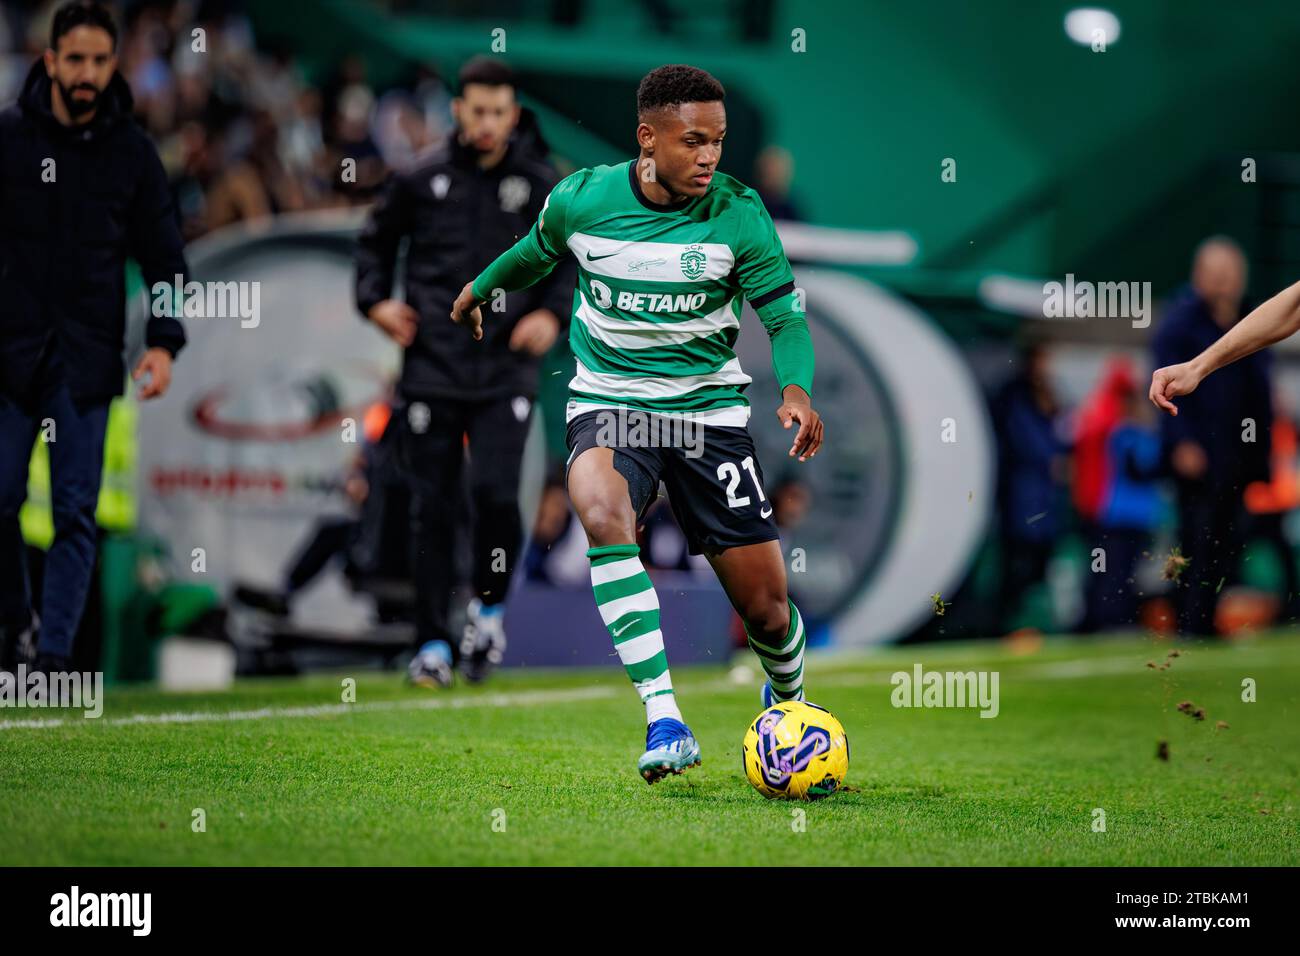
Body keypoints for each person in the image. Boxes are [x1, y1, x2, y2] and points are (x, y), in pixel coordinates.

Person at [450, 64, 822, 784]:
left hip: (707, 419)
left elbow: (784, 316)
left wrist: (799, 391)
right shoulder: (582, 200)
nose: (709, 156)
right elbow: (536, 253)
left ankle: (793, 711)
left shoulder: (740, 214)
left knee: (768, 611)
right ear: (647, 139)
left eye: (717, 141)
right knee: (600, 508)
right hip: (613, 406)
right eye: (693, 141)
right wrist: (482, 288)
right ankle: (664, 718)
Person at [354, 57, 575, 686]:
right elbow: (375, 242)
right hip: (432, 366)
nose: (486, 123)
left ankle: (490, 611)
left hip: (506, 368)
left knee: (497, 495)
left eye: (498, 112)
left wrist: (552, 319)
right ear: (457, 111)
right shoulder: (419, 178)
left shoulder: (540, 183)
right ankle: (431, 643)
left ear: (512, 113)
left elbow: (567, 259)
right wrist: (376, 302)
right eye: (475, 110)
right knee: (432, 503)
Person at [0, 1, 186, 675]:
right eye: (73, 59)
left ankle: (51, 664)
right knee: (1, 502)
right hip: (9, 357)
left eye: (99, 61)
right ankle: (17, 623)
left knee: (76, 513)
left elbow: (165, 257)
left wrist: (164, 343)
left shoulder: (132, 155)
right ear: (50, 60)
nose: (86, 73)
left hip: (85, 363)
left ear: (115, 64)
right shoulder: (9, 138)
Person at [1150, 238, 1272, 635]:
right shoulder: (1181, 320)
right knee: (1195, 539)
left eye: (1230, 275)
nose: (1223, 283)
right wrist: (1182, 441)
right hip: (1200, 453)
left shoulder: (1252, 318)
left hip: (1238, 454)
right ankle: (1188, 619)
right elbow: (1165, 384)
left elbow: (1260, 392)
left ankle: (1209, 615)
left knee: (1231, 539)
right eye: (1215, 274)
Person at [991, 343, 1070, 633]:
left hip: (1046, 501)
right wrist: (1051, 459)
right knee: (1017, 563)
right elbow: (1023, 439)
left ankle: (1028, 625)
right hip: (1023, 496)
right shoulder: (1015, 398)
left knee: (1040, 561)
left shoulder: (1052, 397)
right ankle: (1005, 626)